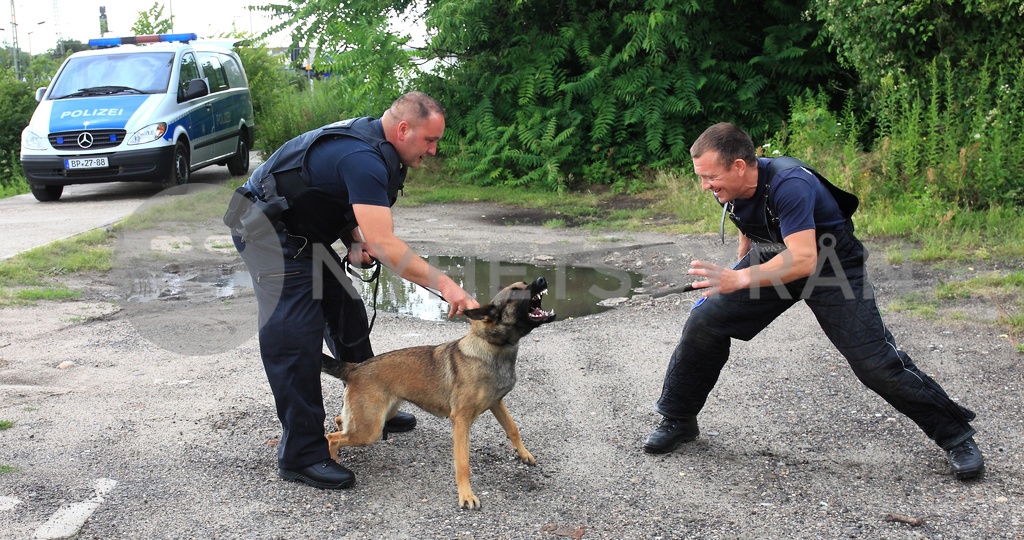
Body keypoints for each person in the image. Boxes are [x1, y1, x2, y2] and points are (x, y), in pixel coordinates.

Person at [643, 122, 984, 480]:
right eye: (701, 177)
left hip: (829, 264)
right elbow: (748, 214)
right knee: (705, 321)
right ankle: (679, 419)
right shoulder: (730, 185)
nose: (705, 186)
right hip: (775, 257)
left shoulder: (792, 184)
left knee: (874, 362)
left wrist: (738, 278)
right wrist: (745, 250)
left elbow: (804, 259)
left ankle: (956, 435)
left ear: (740, 165)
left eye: (710, 177)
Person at [226, 92, 479, 490]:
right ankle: (302, 454)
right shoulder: (362, 158)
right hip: (266, 233)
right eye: (429, 140)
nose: (433, 150)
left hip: (301, 233)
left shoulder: (376, 147)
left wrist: (353, 238)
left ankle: (373, 403)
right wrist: (447, 286)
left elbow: (327, 195)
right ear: (402, 129)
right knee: (295, 337)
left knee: (346, 311)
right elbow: (387, 246)